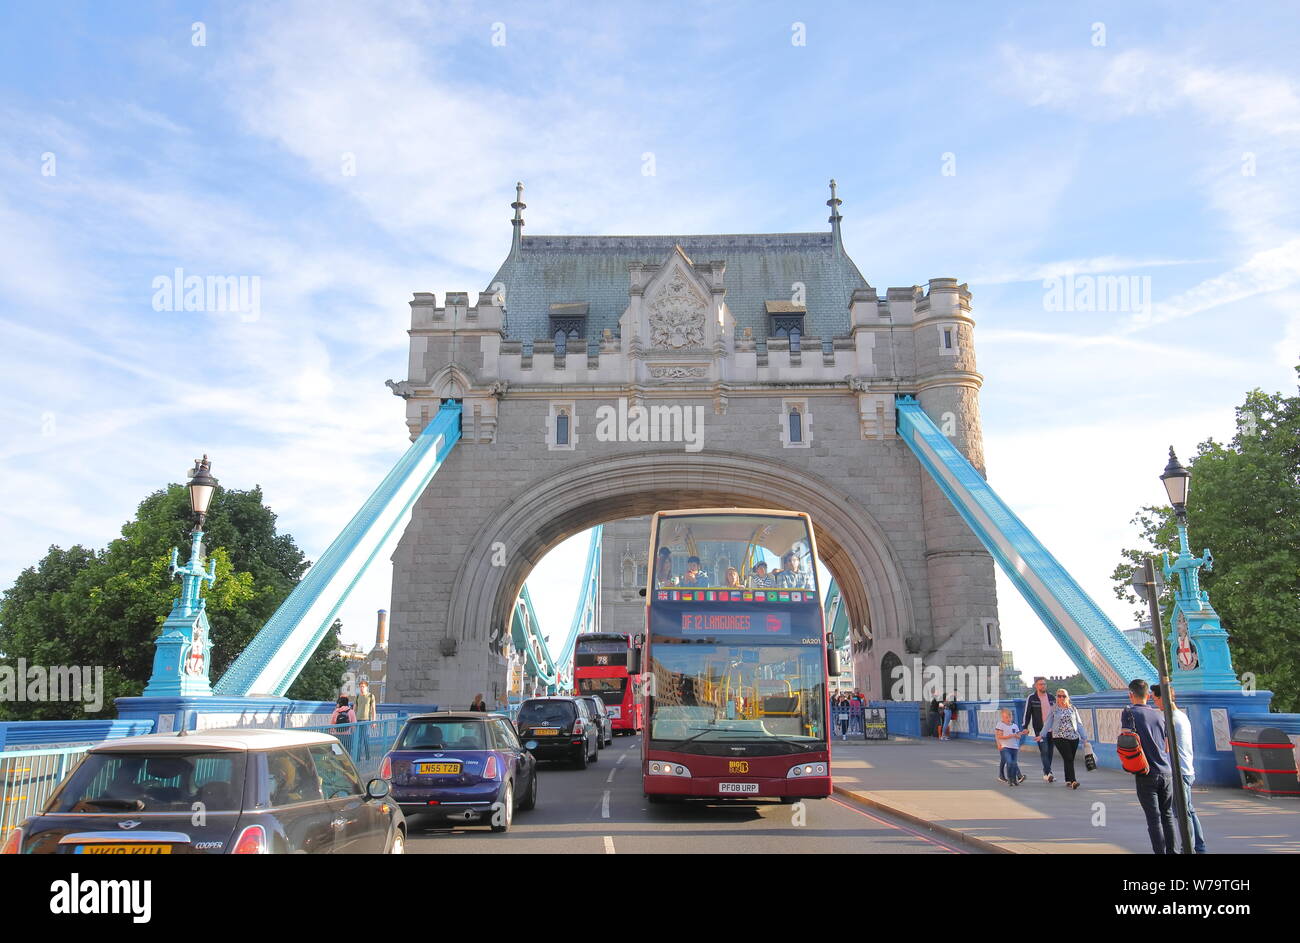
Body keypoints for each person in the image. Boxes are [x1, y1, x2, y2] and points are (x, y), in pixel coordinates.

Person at [1152, 683, 1207, 854]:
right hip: (1187, 769)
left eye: (1155, 699)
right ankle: (1198, 847)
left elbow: (1165, 747)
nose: (1154, 703)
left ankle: (1188, 849)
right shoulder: (1181, 716)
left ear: (1162, 698)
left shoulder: (1170, 720)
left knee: (1182, 814)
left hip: (1178, 772)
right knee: (1189, 811)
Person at [1124, 678, 1177, 854]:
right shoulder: (1160, 715)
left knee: (1154, 820)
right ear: (1148, 695)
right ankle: (1172, 851)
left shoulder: (1129, 712)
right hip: (1166, 771)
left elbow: (1127, 739)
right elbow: (1167, 745)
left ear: (1130, 695)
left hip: (1146, 772)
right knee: (1167, 816)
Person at [1036, 690, 1089, 789]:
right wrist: (1041, 735)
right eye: (1059, 696)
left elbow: (1079, 723)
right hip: (1059, 737)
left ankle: (1068, 780)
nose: (1061, 698)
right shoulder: (1054, 709)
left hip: (1073, 737)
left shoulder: (1073, 708)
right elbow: (1048, 723)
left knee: (1069, 759)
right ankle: (1073, 781)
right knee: (1068, 757)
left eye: (1063, 696)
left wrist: (1084, 737)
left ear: (1067, 697)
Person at [1021, 676, 1056, 783]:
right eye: (1041, 684)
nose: (1043, 686)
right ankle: (1048, 773)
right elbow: (1027, 713)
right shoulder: (1032, 698)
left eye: (1044, 684)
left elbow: (1057, 713)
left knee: (1050, 752)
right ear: (1036, 686)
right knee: (1044, 751)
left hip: (1052, 729)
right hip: (1040, 730)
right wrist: (1025, 727)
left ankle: (1047, 772)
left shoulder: (1051, 697)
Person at [994, 708, 1025, 785]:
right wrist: (1009, 736)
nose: (1008, 719)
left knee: (1013, 763)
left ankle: (1014, 780)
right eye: (1006, 717)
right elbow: (999, 736)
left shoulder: (1015, 726)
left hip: (1014, 747)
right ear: (1002, 718)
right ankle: (1010, 779)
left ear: (1012, 717)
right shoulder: (1001, 725)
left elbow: (1018, 736)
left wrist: (1020, 734)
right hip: (1005, 747)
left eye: (1009, 717)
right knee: (1009, 762)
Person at [353, 680, 377, 760]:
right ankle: (357, 758)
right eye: (360, 687)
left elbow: (373, 709)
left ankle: (367, 757)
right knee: (358, 740)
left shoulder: (371, 696)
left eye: (363, 686)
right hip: (357, 720)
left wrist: (373, 721)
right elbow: (354, 709)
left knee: (365, 739)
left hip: (366, 720)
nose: (361, 688)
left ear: (366, 687)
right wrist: (353, 721)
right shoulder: (357, 696)